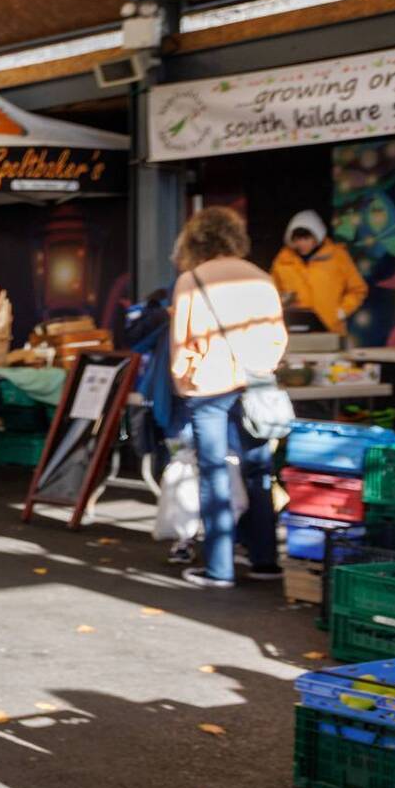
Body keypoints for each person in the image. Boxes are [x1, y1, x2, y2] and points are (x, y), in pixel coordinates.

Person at [170, 206, 287, 589]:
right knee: (259, 472)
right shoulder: (260, 277)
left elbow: (182, 342)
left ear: (196, 240)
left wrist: (183, 380)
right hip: (255, 387)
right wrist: (261, 369)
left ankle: (219, 568)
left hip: (209, 387)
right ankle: (265, 560)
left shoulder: (192, 279)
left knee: (215, 473)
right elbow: (277, 338)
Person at [271, 209, 366, 334]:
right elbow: (271, 293)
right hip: (294, 331)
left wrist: (341, 311)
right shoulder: (282, 261)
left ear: (317, 236)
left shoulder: (337, 257)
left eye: (306, 238)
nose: (302, 243)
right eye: (297, 239)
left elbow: (358, 289)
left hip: (330, 330)